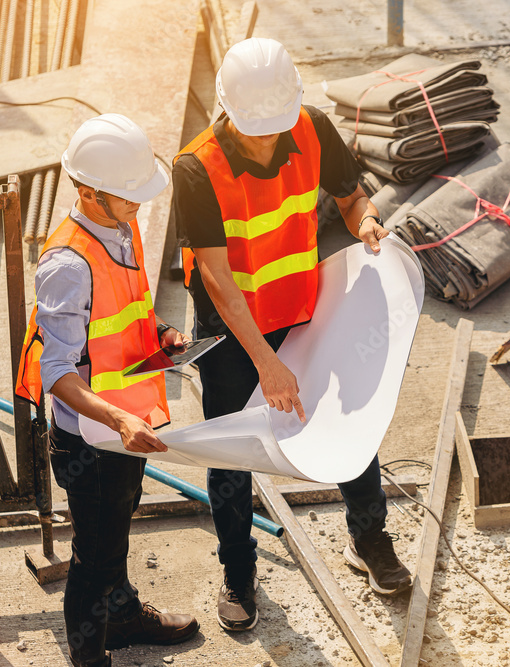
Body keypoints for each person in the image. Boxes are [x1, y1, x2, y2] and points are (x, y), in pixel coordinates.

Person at [172, 38, 413, 633]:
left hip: (304, 307)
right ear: (227, 111)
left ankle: (369, 539)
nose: (268, 139)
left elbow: (352, 198)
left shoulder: (309, 128)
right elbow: (218, 282)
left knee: (347, 418)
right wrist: (267, 366)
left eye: (275, 128)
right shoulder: (196, 168)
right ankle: (238, 571)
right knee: (236, 451)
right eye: (256, 131)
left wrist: (369, 225)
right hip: (232, 331)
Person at [15, 114, 199, 667]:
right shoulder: (67, 265)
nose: (138, 208)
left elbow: (126, 311)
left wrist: (160, 331)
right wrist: (119, 422)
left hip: (124, 424)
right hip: (92, 441)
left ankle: (119, 617)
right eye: (127, 199)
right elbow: (59, 372)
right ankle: (89, 658)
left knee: (115, 535)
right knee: (93, 558)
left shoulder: (120, 228)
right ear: (90, 194)